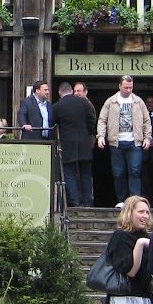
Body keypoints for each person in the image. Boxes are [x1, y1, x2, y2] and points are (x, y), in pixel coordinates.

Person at [98, 76, 152, 200]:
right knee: (118, 173)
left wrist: (147, 138)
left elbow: (146, 121)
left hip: (135, 142)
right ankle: (121, 200)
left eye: (131, 87)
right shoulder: (111, 101)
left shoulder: (138, 101)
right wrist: (101, 136)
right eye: (126, 87)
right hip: (116, 142)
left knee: (135, 171)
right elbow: (102, 120)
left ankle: (135, 200)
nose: (128, 90)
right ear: (119, 86)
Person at [54, 80, 98, 208]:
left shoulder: (57, 106)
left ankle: (75, 201)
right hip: (84, 143)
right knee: (86, 173)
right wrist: (88, 134)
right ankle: (88, 201)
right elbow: (91, 120)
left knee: (70, 174)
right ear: (71, 91)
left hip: (67, 143)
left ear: (59, 93)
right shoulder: (84, 103)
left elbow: (53, 125)